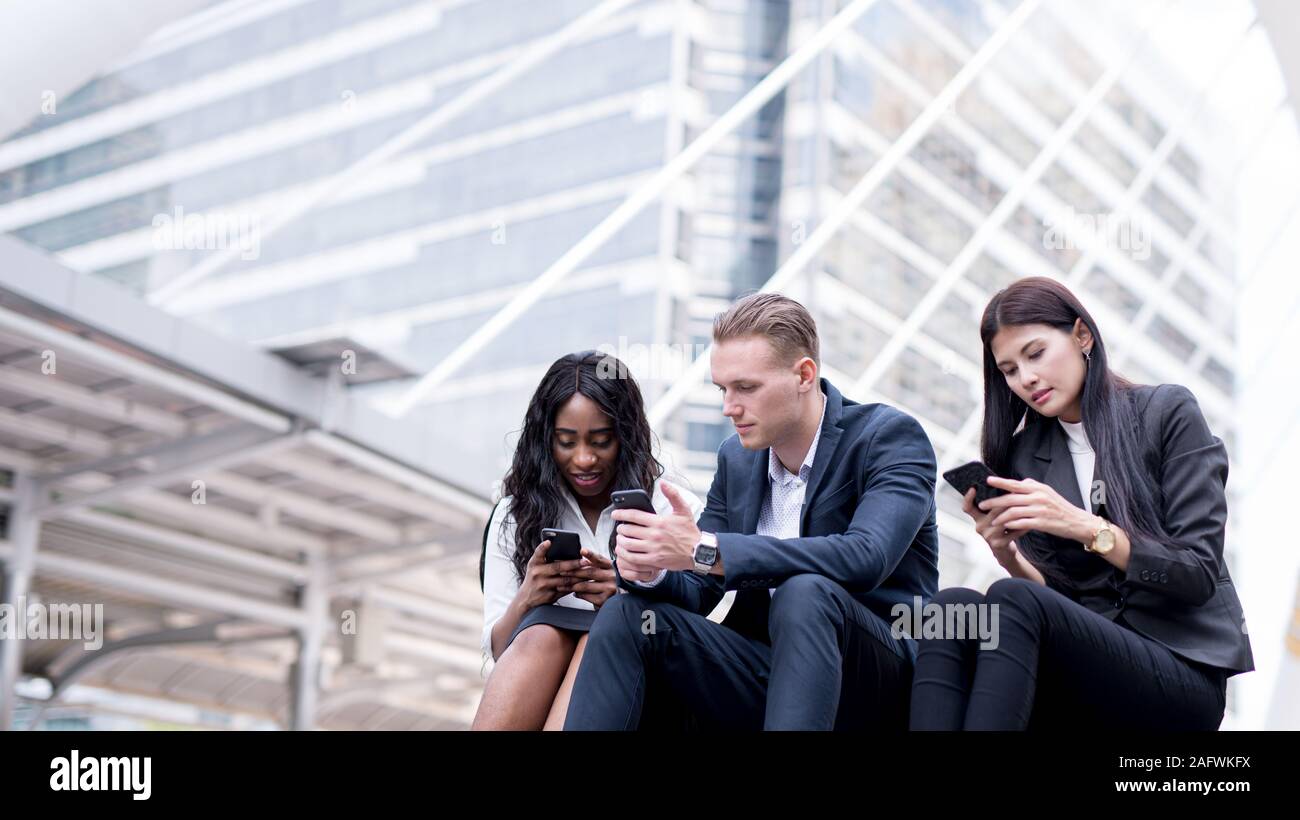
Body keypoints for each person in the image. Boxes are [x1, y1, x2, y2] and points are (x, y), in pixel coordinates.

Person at [564, 293, 939, 730]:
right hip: (770, 672)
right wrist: (656, 565)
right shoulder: (738, 460)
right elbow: (702, 589)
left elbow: (865, 556)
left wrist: (704, 549)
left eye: (746, 387)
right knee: (627, 617)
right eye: (723, 389)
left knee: (806, 592)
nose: (729, 407)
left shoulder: (889, 438)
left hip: (874, 677)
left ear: (804, 374)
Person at [910, 276, 1253, 730]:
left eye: (1035, 354)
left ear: (1082, 335)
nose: (1026, 378)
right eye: (1009, 370)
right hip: (1095, 657)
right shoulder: (1026, 455)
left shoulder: (1166, 413)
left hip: (1180, 669)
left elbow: (1196, 573)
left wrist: (1085, 526)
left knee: (1011, 598)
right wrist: (1007, 554)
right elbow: (1063, 603)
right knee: (950, 611)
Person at [472, 350, 702, 730]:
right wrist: (529, 597)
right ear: (546, 441)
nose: (583, 459)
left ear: (626, 438)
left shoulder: (671, 507)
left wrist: (626, 597)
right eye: (566, 441)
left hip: (654, 689)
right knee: (541, 634)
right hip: (539, 671)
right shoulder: (516, 512)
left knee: (597, 638)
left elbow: (707, 629)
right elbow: (500, 653)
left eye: (600, 441)